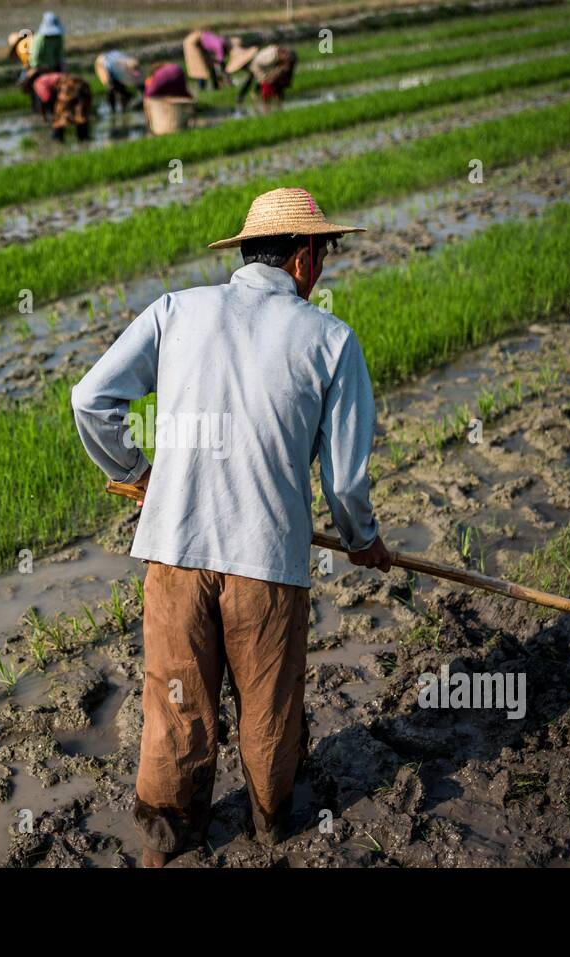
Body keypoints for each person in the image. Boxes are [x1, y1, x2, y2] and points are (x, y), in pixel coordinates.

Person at [70, 187, 391, 867]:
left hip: (175, 551)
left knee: (176, 706)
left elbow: (90, 397)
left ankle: (165, 839)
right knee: (270, 711)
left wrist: (141, 473)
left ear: (246, 254)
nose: (324, 266)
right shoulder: (331, 339)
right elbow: (342, 481)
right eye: (324, 252)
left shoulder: (177, 310)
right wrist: (362, 539)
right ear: (305, 257)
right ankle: (273, 829)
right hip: (265, 560)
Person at [29, 70, 92, 142]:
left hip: (68, 85)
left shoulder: (37, 82)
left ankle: (57, 140)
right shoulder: (49, 76)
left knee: (59, 117)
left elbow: (47, 98)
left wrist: (49, 113)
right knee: (80, 112)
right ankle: (83, 138)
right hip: (81, 82)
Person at [233, 44, 298, 105]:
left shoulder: (254, 65)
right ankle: (278, 106)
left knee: (271, 84)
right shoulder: (259, 56)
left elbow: (264, 80)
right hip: (288, 54)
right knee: (278, 84)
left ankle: (268, 106)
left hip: (285, 59)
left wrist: (256, 92)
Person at [94, 49, 142, 113]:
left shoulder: (127, 62)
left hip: (114, 65)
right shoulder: (108, 64)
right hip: (102, 64)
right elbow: (106, 77)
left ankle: (124, 106)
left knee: (121, 88)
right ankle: (113, 109)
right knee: (111, 89)